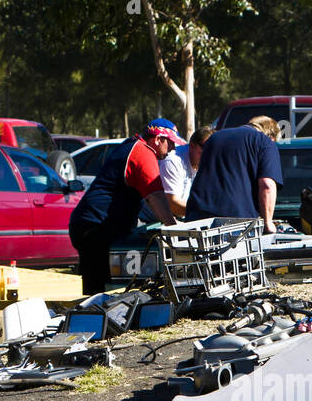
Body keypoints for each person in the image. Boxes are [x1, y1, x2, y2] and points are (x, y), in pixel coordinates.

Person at [68, 118, 182, 294]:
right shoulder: (142, 153)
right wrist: (176, 231)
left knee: (104, 286)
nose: (172, 149)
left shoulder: (132, 145)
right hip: (96, 226)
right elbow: (156, 198)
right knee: (102, 290)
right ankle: (93, 317)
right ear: (158, 139)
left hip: (91, 223)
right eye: (171, 143)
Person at [185, 115, 283, 233]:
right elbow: (267, 185)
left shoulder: (215, 137)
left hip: (197, 218)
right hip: (236, 226)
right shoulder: (264, 141)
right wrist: (268, 223)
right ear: (272, 137)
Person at [141, 125, 212, 220]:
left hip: (176, 218)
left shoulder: (208, 161)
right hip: (149, 221)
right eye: (204, 147)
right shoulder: (172, 161)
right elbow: (174, 205)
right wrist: (207, 212)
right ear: (192, 145)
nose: (209, 153)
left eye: (212, 149)